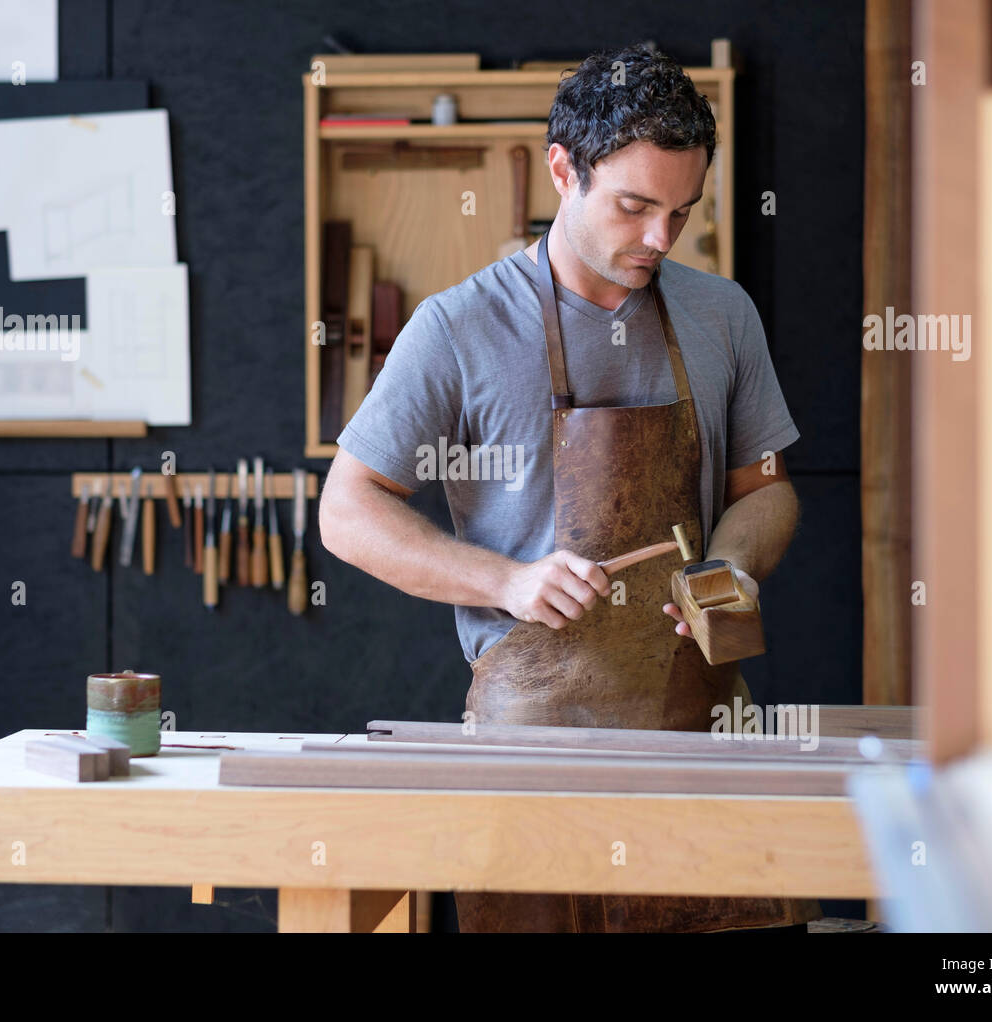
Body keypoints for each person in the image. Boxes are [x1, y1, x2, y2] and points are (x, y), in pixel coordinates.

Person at [319, 43, 820, 932]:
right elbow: (346, 512)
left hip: (702, 738)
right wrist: (506, 581)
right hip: (531, 749)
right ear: (563, 169)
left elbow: (767, 488)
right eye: (635, 207)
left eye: (683, 210)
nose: (662, 240)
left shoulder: (722, 315)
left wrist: (731, 566)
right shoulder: (458, 327)